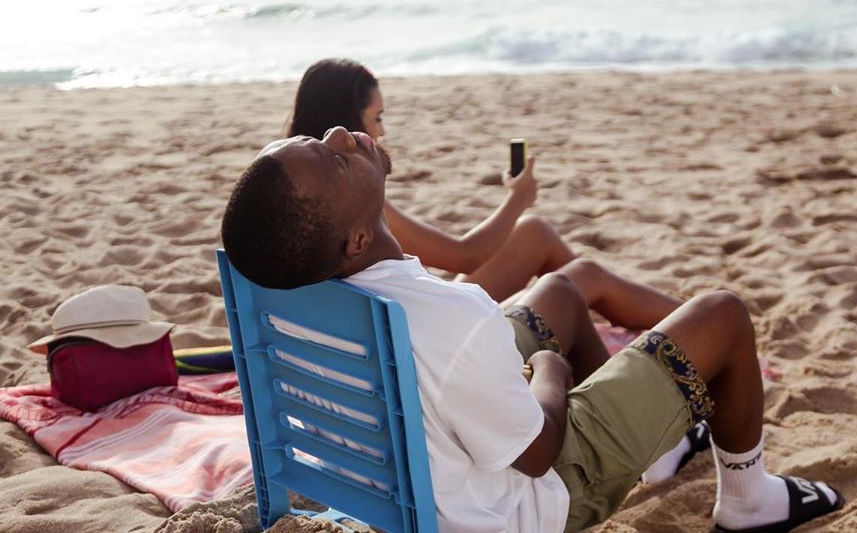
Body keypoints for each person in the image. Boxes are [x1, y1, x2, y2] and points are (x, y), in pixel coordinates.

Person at [219, 128, 845, 533]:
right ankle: (748, 500)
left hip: (404, 493)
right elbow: (538, 453)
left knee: (560, 293)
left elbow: (447, 350)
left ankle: (652, 446)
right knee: (724, 314)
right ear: (357, 239)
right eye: (336, 163)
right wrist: (550, 372)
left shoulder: (288, 294)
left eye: (319, 140)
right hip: (502, 523)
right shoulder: (449, 318)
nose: (340, 137)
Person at [284, 58, 680, 329]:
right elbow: (465, 254)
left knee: (535, 233)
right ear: (347, 119)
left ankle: (652, 322)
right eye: (377, 118)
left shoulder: (288, 190)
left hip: (385, 320)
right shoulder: (352, 203)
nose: (382, 132)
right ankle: (686, 323)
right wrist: (518, 198)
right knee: (585, 275)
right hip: (422, 333)